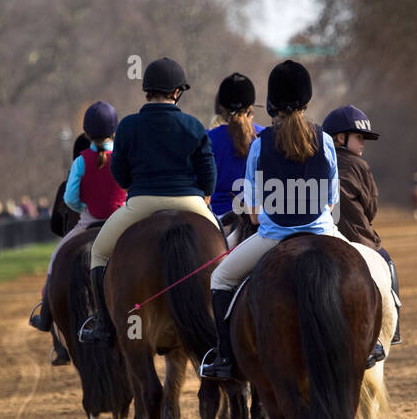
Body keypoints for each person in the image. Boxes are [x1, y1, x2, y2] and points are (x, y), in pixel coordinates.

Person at [199, 61, 392, 380]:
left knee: (220, 279)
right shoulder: (326, 141)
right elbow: (331, 202)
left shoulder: (261, 145)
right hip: (323, 231)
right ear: (306, 101)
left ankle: (226, 358)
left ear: (272, 103)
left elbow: (254, 213)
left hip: (273, 237)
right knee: (368, 269)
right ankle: (369, 344)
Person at [79, 58, 221, 343]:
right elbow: (209, 173)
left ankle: (104, 325)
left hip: (141, 202)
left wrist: (137, 186)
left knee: (99, 253)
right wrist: (202, 194)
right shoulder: (193, 125)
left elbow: (119, 172)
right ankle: (224, 329)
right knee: (222, 253)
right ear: (177, 92)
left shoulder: (129, 126)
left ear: (147, 90)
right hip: (190, 202)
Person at [29, 107, 125, 360]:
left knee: (57, 258)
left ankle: (46, 314)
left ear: (86, 133)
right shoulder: (124, 155)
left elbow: (70, 198)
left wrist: (85, 205)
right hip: (121, 221)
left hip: (89, 221)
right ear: (115, 130)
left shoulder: (81, 160)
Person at [321, 104, 401, 345]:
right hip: (359, 239)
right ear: (340, 138)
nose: (363, 143)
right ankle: (392, 327)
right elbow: (371, 209)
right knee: (387, 263)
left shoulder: (319, 161)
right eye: (359, 137)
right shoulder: (359, 165)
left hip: (324, 235)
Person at [207, 73, 264, 233]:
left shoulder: (208, 138)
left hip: (217, 220)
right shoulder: (265, 136)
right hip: (257, 219)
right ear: (251, 108)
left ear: (222, 108)